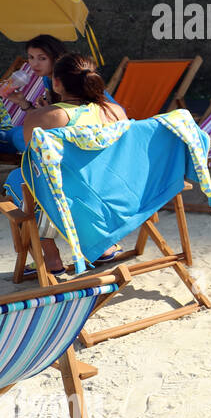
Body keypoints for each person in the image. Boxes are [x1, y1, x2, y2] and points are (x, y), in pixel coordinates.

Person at [5, 54, 128, 275]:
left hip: (65, 201)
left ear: (57, 82)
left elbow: (31, 159)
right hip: (109, 195)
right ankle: (104, 246)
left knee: (18, 179)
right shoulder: (115, 112)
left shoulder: (42, 118)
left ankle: (52, 259)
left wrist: (42, 110)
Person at [1, 33, 65, 151]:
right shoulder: (47, 79)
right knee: (9, 134)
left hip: (63, 143)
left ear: (56, 58)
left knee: (18, 135)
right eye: (31, 57)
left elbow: (63, 123)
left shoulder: (68, 80)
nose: (34, 64)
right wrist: (22, 102)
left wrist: (47, 112)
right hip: (48, 135)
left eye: (42, 58)